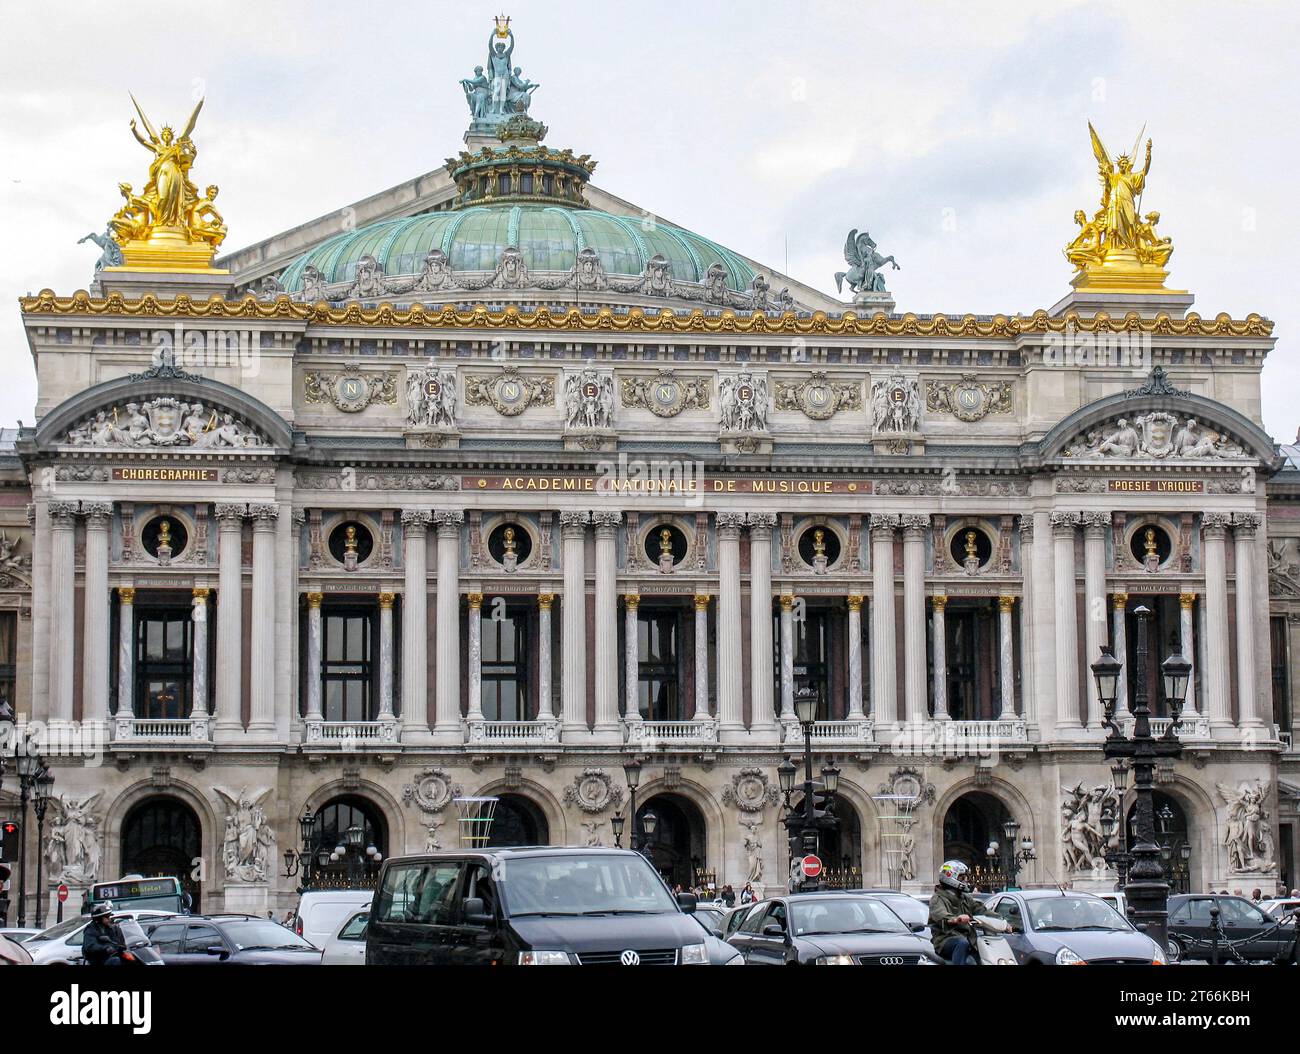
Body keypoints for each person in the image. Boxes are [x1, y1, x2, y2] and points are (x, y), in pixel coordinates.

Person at [928, 861, 986, 965]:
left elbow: (981, 910)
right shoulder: (937, 899)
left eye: (965, 877)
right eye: (961, 877)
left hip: (968, 938)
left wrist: (1004, 922)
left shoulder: (965, 898)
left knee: (983, 945)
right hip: (945, 939)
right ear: (949, 877)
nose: (965, 880)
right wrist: (956, 919)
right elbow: (941, 915)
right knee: (962, 943)